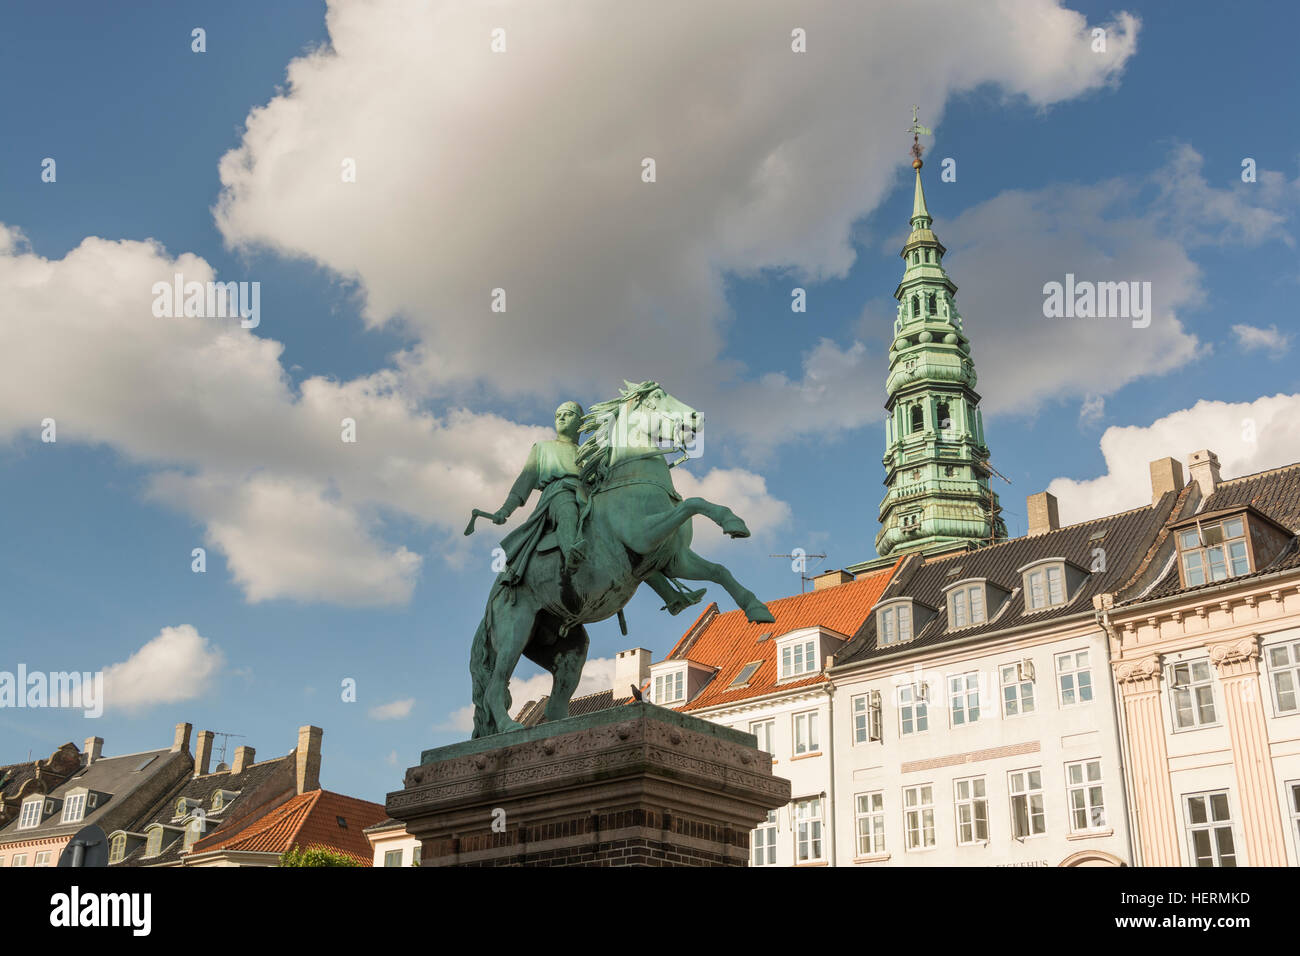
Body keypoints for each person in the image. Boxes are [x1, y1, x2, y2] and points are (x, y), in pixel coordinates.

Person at [492, 401, 588, 579]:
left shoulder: (587, 453)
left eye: (568, 414)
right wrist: (505, 510)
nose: (561, 417)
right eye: (558, 415)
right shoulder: (543, 448)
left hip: (586, 496)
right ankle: (572, 555)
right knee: (567, 509)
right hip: (558, 492)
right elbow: (524, 482)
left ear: (580, 422)